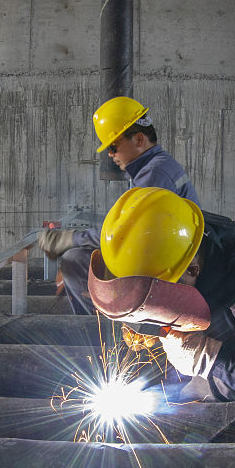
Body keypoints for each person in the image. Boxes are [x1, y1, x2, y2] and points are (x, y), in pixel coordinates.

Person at [86, 186, 235, 403]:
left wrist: (209, 357)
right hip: (224, 289)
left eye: (160, 294)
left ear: (192, 269)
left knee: (202, 395)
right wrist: (148, 321)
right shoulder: (175, 229)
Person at [38, 96, 198, 314]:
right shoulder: (156, 167)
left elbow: (125, 234)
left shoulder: (154, 174)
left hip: (172, 267)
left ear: (139, 139)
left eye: (114, 146)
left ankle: (97, 327)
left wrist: (69, 239)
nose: (111, 154)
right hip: (170, 257)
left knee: (75, 260)